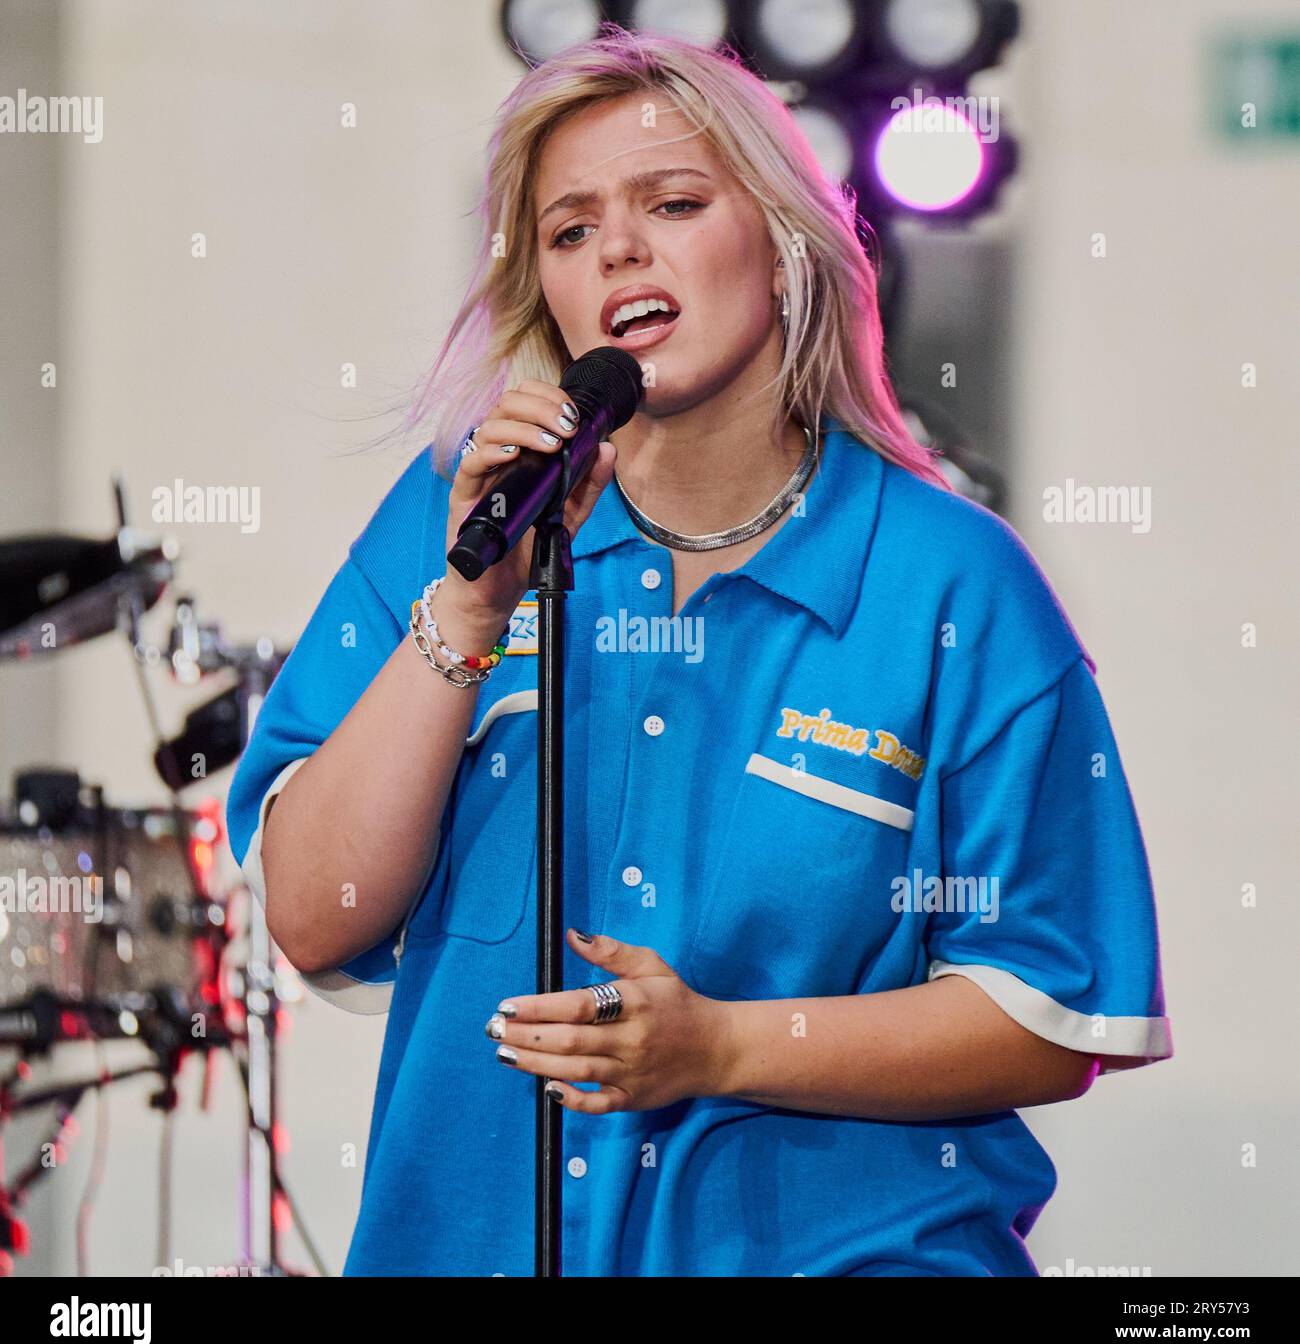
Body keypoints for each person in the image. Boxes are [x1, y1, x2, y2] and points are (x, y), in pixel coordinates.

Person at [225, 27, 1172, 1276]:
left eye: (671, 203)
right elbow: (310, 912)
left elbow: (1053, 1012)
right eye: (569, 232)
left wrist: (724, 1046)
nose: (617, 247)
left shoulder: (954, 580)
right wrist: (463, 616)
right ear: (550, 299)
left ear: (785, 251)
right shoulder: (462, 510)